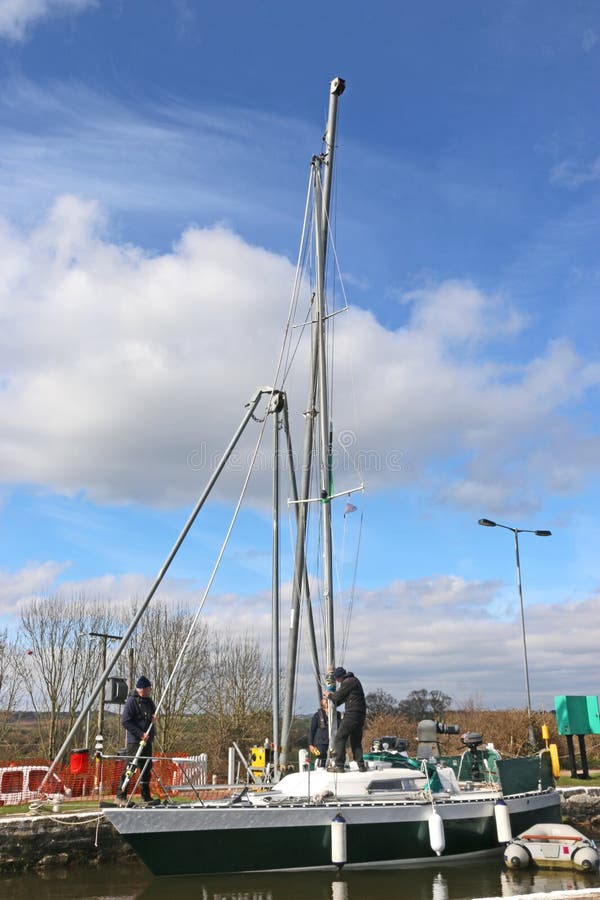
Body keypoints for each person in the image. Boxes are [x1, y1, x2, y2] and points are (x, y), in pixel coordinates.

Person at [116, 676, 157, 805]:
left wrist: (153, 719)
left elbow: (150, 715)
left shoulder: (149, 701)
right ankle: (120, 796)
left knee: (146, 767)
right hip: (135, 742)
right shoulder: (132, 702)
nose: (151, 690)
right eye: (149, 688)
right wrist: (140, 734)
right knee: (131, 767)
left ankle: (146, 796)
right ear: (143, 689)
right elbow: (126, 722)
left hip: (147, 741)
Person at [324, 666, 367, 773]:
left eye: (337, 679)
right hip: (360, 714)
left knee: (340, 737)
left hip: (352, 713)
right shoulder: (354, 681)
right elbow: (341, 699)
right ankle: (361, 765)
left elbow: (337, 697)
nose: (337, 681)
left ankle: (339, 765)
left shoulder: (348, 682)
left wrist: (328, 695)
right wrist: (331, 704)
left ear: (339, 677)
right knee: (355, 740)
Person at [308, 697, 340, 767]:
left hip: (334, 740)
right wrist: (310, 744)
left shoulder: (337, 714)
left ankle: (335, 766)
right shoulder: (317, 715)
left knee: (336, 755)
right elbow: (312, 730)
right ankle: (320, 766)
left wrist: (331, 715)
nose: (328, 702)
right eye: (326, 702)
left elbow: (340, 725)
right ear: (323, 704)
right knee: (320, 754)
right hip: (321, 741)